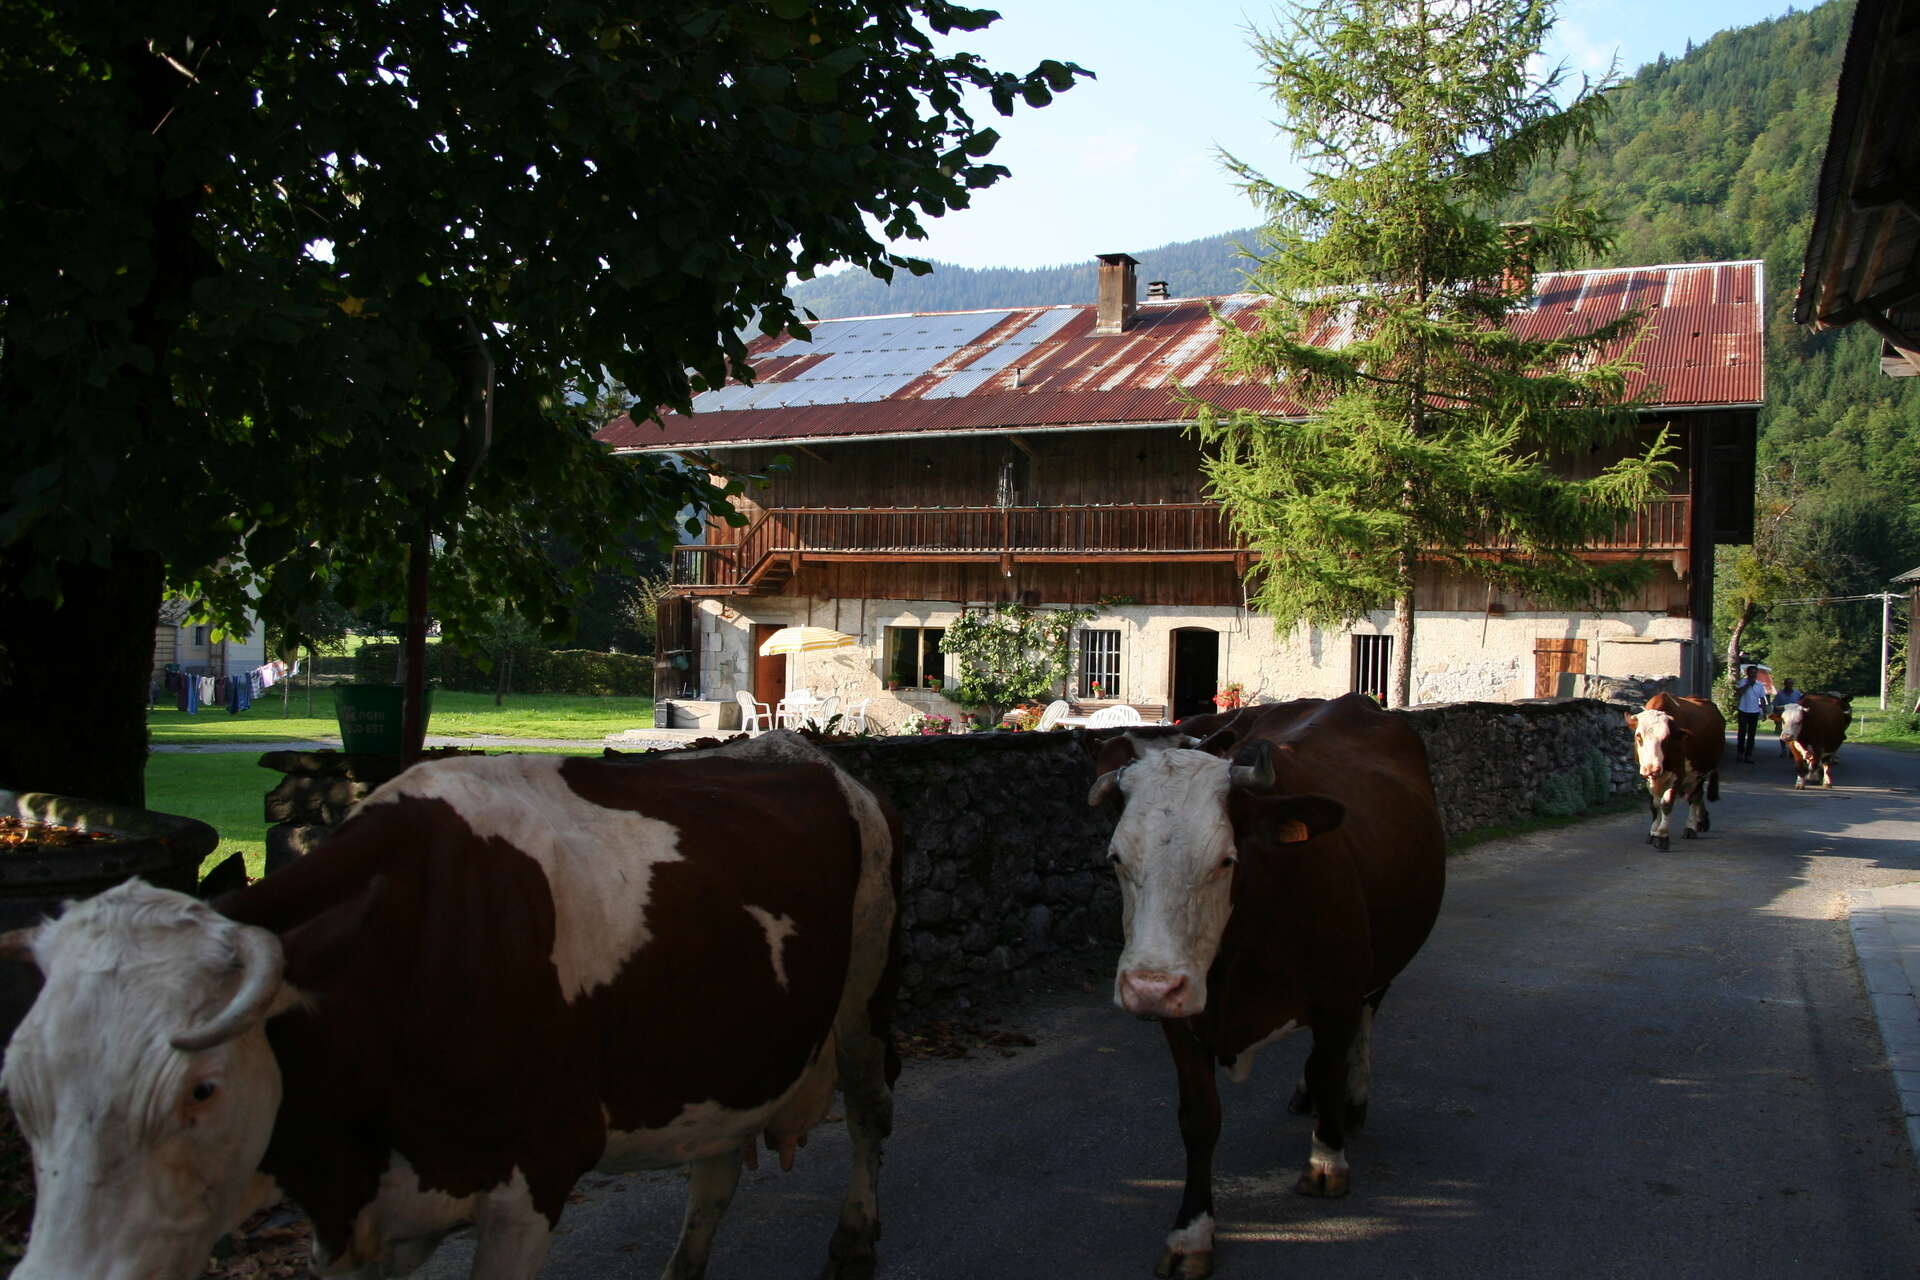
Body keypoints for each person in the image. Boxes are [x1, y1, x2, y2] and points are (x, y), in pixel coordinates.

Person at [1734, 665, 1768, 762]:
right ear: (1747, 673)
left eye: (1755, 673)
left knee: (1751, 734)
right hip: (1743, 710)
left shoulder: (1759, 684)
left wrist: (1764, 712)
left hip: (1754, 711)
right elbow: (1739, 693)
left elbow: (1762, 698)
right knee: (1742, 732)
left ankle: (1748, 755)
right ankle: (1740, 753)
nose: (1753, 674)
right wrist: (1748, 684)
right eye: (1752, 672)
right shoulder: (1742, 682)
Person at [1772, 678, 1803, 756]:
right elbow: (1775, 706)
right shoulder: (1780, 694)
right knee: (1783, 733)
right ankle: (1783, 749)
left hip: (1794, 717)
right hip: (1784, 716)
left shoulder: (1797, 693)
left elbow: (1801, 704)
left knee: (1794, 733)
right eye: (1788, 683)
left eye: (1791, 684)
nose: (1790, 685)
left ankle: (1792, 750)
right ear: (1785, 684)